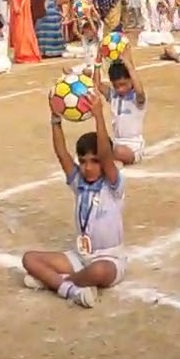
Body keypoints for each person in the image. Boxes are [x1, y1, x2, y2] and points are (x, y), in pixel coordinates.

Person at [18, 90, 121, 309]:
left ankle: (56, 283)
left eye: (95, 161)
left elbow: (105, 153)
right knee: (29, 259)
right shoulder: (79, 183)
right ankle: (71, 289)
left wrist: (99, 116)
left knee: (98, 271)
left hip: (108, 258)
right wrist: (56, 119)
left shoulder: (112, 185)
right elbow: (61, 153)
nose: (88, 167)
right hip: (79, 256)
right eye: (83, 162)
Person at [94, 45, 146, 165]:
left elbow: (139, 89)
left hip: (134, 146)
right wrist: (97, 62)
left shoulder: (137, 99)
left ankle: (111, 160)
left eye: (123, 84)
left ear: (130, 81)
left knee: (117, 152)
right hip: (116, 141)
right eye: (116, 86)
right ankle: (111, 160)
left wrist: (128, 64)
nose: (120, 89)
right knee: (94, 145)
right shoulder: (113, 96)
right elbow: (97, 84)